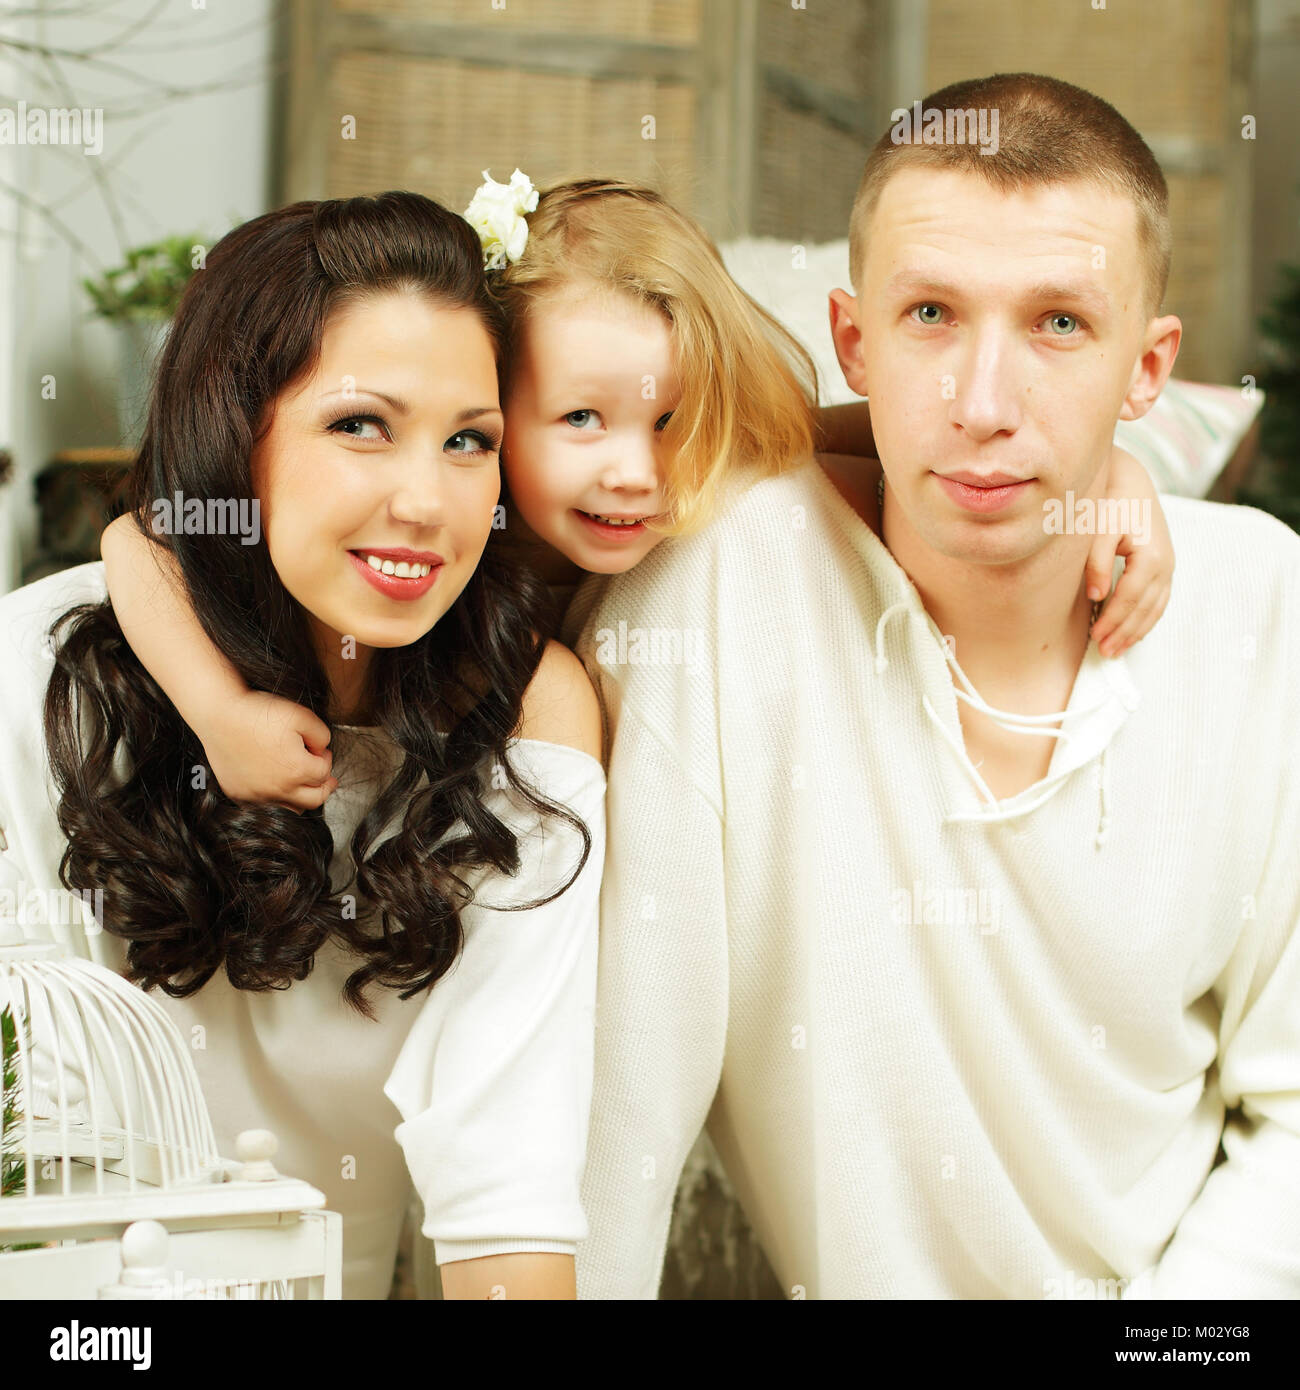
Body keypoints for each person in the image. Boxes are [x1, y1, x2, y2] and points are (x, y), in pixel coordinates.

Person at [561, 72, 1300, 1298]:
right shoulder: (719, 596)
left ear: (1147, 367)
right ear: (854, 343)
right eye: (931, 317)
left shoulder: (1260, 607)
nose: (984, 404)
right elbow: (612, 1146)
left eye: (1060, 323)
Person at [97, 175, 1171, 814]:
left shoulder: (715, 477)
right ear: (492, 398)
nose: (635, 472)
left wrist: (1111, 481)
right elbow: (133, 542)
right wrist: (219, 711)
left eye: (669, 421)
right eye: (580, 421)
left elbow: (911, 445)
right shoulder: (438, 513)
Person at [0, 191, 605, 1300]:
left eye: (468, 439)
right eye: (358, 424)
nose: (426, 501)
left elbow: (505, 1183)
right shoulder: (39, 681)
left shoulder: (527, 720)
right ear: (236, 432)